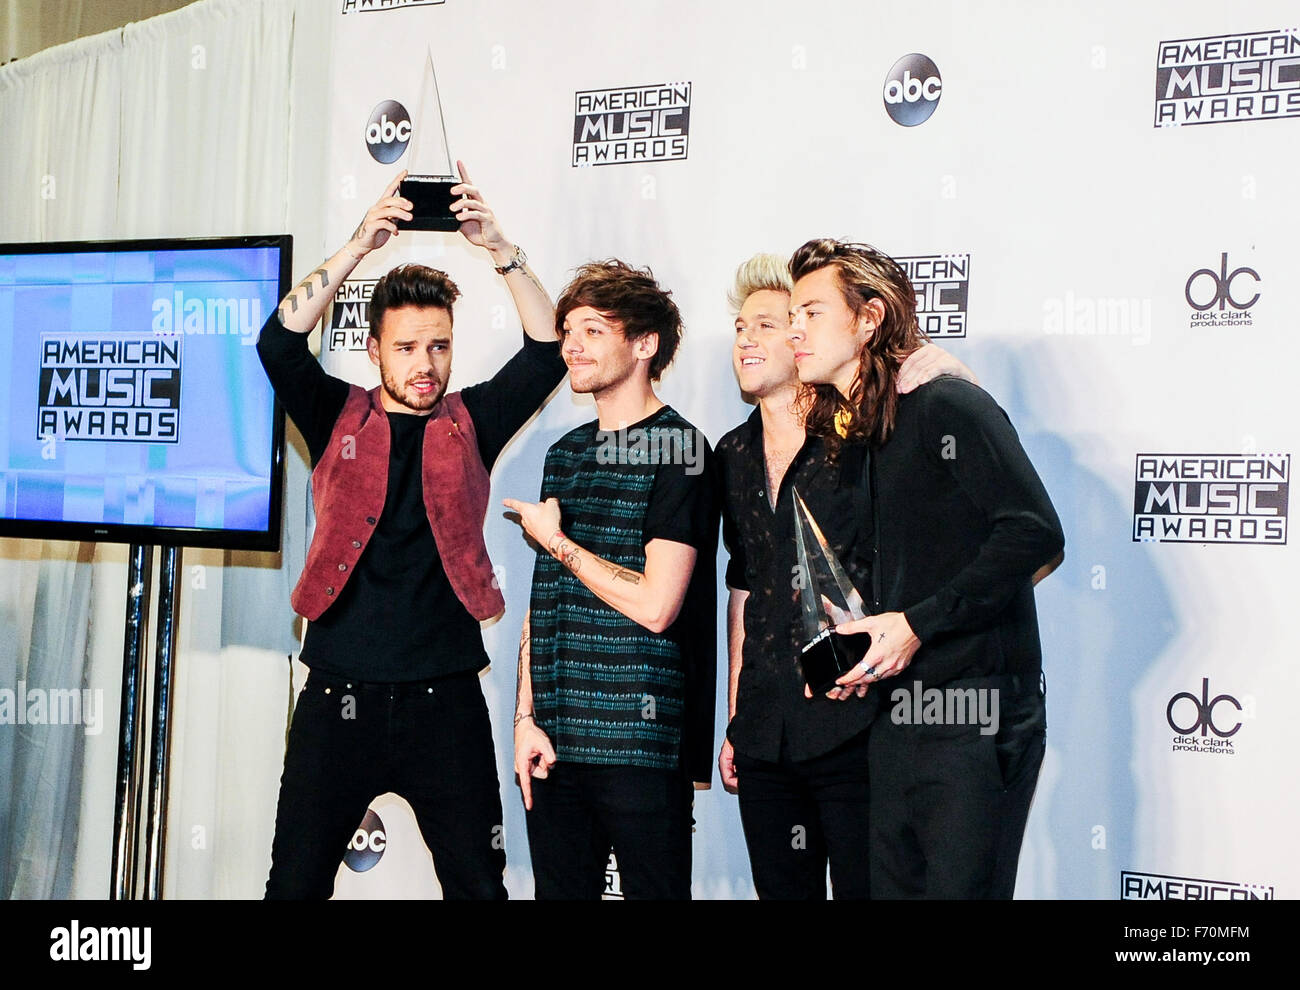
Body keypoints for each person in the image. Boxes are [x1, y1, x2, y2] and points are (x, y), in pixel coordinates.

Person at [255, 164, 565, 899]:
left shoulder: (471, 423)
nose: (425, 366)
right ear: (374, 351)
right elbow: (278, 344)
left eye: (438, 347)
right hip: (337, 694)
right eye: (405, 348)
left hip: (444, 698)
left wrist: (502, 249)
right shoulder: (336, 416)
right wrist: (359, 246)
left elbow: (547, 351)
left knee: (477, 887)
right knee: (293, 885)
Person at [787, 237, 1064, 899]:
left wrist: (916, 623)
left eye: (813, 312)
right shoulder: (858, 429)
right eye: (792, 313)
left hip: (976, 718)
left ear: (869, 318)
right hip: (899, 718)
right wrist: (865, 645)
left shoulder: (946, 402)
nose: (794, 328)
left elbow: (1034, 532)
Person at [716, 253, 975, 899]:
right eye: (740, 326)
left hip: (856, 721)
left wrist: (954, 371)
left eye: (773, 323)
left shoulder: (863, 434)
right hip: (764, 734)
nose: (749, 338)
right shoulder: (731, 454)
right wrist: (735, 714)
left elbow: (956, 506)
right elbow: (743, 588)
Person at [504, 260, 718, 900]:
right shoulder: (563, 453)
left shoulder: (681, 449)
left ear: (645, 344)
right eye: (568, 330)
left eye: (593, 331)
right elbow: (544, 602)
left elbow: (657, 604)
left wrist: (559, 542)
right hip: (556, 745)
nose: (571, 345)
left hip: (640, 746)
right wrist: (525, 717)